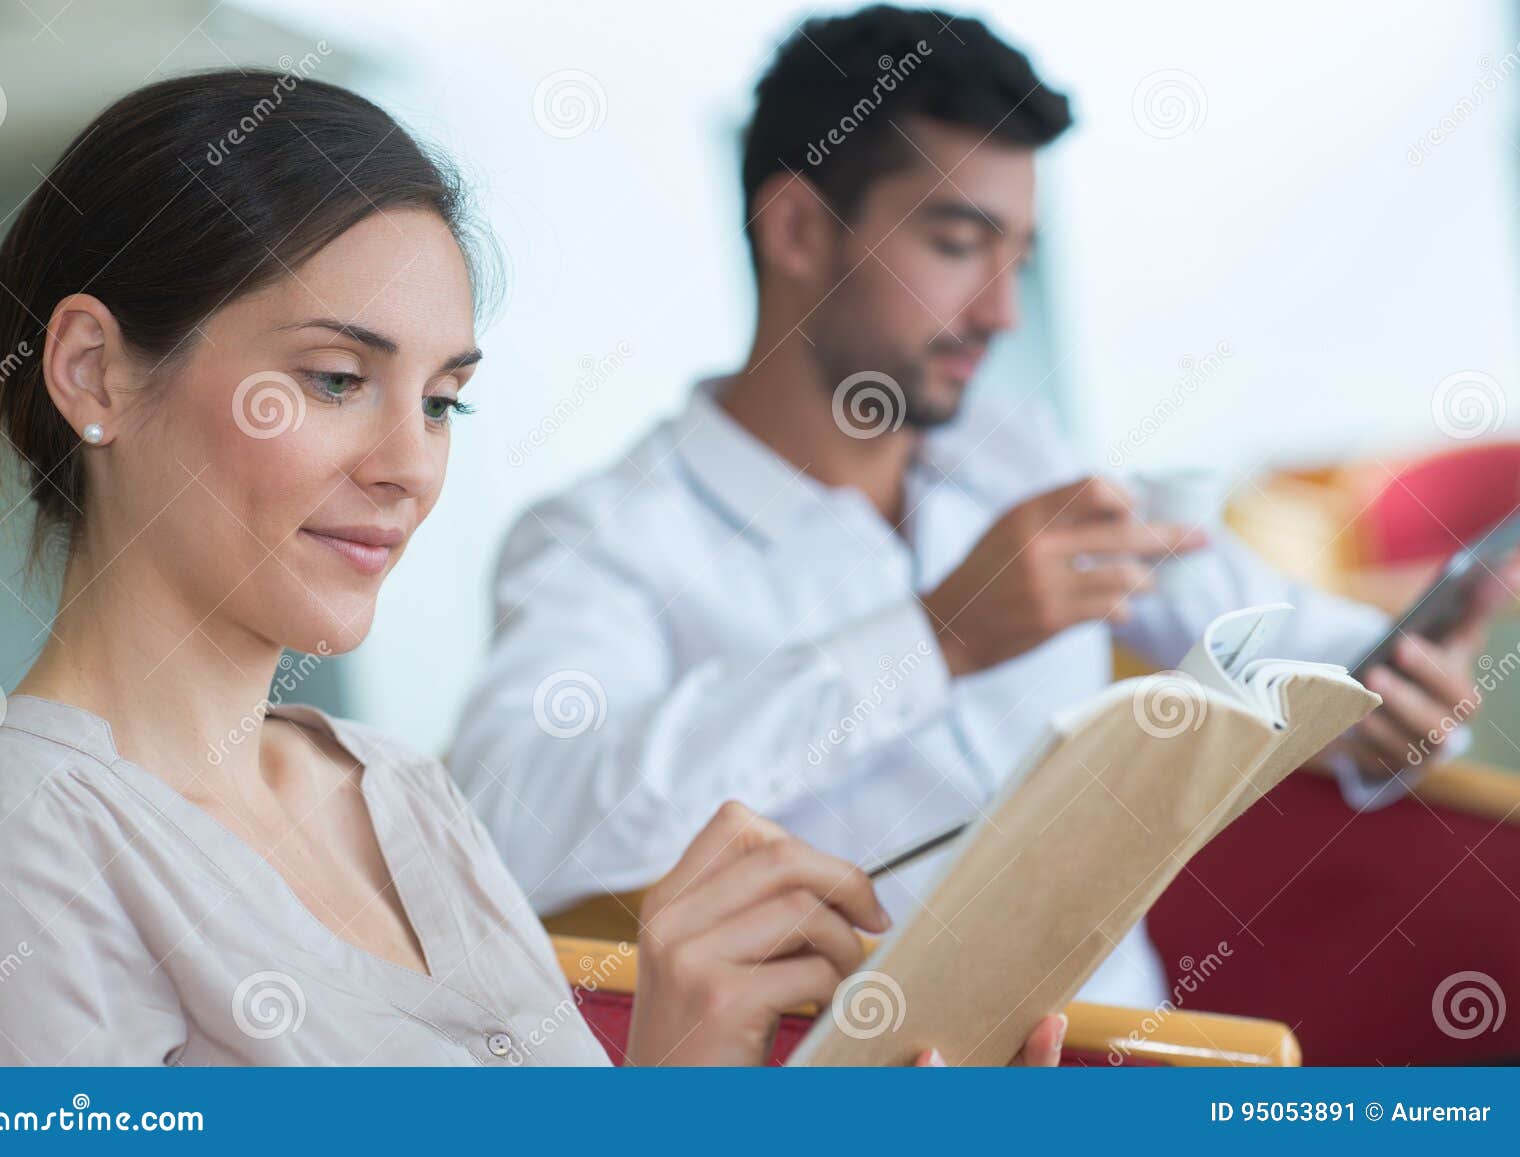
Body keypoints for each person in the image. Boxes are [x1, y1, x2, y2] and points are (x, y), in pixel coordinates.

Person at [0, 70, 1064, 1068]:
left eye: (441, 400)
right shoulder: (1, 838)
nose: (409, 465)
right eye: (334, 379)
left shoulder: (399, 789)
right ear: (94, 371)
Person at [449, 5, 1520, 1009]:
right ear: (797, 229)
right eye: (959, 245)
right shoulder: (604, 540)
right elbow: (512, 819)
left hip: (1142, 1056)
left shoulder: (1016, 456)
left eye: (1018, 258)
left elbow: (1263, 627)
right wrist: (935, 638)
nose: (1001, 311)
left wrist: (1391, 698)